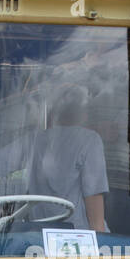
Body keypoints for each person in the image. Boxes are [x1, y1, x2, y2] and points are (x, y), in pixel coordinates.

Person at [27, 85, 108, 232]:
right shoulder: (90, 140)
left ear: (54, 112)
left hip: (38, 235)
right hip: (77, 238)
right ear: (83, 113)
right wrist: (101, 240)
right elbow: (96, 221)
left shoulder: (34, 140)